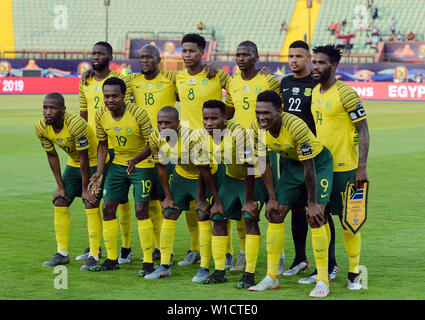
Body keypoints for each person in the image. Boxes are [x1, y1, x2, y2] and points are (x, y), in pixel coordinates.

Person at [247, 90, 334, 298]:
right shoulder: (255, 128)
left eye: (266, 113)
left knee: (316, 217)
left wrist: (312, 203)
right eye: (258, 112)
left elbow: (309, 166)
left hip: (317, 164)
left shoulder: (295, 126)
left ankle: (323, 279)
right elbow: (263, 163)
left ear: (280, 111)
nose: (261, 117)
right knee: (275, 214)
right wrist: (272, 198)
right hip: (293, 166)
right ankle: (271, 277)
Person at [310, 44, 370, 290]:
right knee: (319, 219)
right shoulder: (314, 92)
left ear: (333, 66)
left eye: (321, 63)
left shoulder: (346, 93)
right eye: (314, 62)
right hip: (320, 169)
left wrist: (361, 167)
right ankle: (324, 275)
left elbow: (363, 130)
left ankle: (354, 273)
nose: (315, 66)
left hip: (346, 168)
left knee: (349, 223)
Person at [280, 40, 339, 280]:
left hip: (313, 158)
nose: (294, 60)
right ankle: (300, 259)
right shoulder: (283, 82)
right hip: (289, 157)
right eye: (291, 56)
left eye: (299, 56)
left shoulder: (317, 82)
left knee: (318, 211)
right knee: (295, 208)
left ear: (308, 59)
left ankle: (329, 264)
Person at [176, 33, 234, 276]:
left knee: (218, 197)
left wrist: (221, 120)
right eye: (185, 51)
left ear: (203, 53)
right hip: (187, 144)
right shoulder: (176, 76)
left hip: (215, 143)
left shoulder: (217, 74)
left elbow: (235, 97)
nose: (188, 55)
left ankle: (228, 251)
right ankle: (196, 248)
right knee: (192, 200)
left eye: (192, 51)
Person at [89, 77, 157, 276]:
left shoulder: (139, 114)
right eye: (107, 96)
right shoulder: (101, 114)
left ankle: (147, 262)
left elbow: (152, 143)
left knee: (141, 209)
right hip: (118, 164)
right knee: (107, 207)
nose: (110, 100)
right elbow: (103, 145)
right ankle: (112, 259)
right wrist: (100, 172)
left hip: (142, 164)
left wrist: (136, 160)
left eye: (115, 96)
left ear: (124, 96)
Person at [194, 100, 266, 289]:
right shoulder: (200, 136)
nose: (209, 123)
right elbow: (204, 170)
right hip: (230, 179)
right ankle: (219, 272)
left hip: (253, 178)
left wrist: (249, 200)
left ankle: (249, 274)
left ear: (225, 117)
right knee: (217, 217)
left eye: (214, 118)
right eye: (205, 118)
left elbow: (249, 166)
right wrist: (215, 201)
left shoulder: (238, 133)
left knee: (250, 218)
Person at [225, 40, 283, 272]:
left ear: (256, 57)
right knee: (242, 203)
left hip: (265, 145)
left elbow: (281, 109)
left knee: (271, 201)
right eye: (238, 54)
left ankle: (277, 255)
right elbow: (229, 110)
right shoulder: (232, 81)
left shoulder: (268, 80)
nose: (240, 58)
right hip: (240, 147)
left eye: (246, 55)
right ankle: (243, 252)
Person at [143, 106, 218, 282]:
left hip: (205, 176)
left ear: (178, 123)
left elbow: (203, 170)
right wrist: (168, 197)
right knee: (169, 212)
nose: (163, 126)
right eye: (160, 122)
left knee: (202, 214)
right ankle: (163, 266)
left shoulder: (192, 139)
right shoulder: (155, 137)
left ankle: (204, 267)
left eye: (167, 123)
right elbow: (161, 167)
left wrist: (200, 199)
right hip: (181, 176)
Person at [79, 41, 133, 265]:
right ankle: (96, 248)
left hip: (116, 148)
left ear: (110, 56)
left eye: (101, 53)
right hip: (94, 148)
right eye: (93, 53)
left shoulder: (122, 82)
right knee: (93, 198)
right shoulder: (86, 81)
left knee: (118, 199)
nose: (95, 56)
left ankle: (125, 248)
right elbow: (83, 114)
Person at [36, 93, 101, 271]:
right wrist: (60, 186)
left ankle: (94, 255)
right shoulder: (41, 127)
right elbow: (52, 155)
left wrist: (85, 190)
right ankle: (62, 254)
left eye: (53, 108)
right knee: (60, 200)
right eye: (45, 107)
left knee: (90, 201)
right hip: (73, 163)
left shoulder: (76, 125)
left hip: (94, 162)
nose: (48, 112)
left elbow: (84, 158)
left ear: (63, 109)